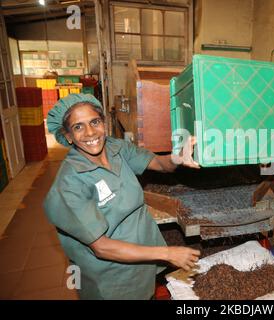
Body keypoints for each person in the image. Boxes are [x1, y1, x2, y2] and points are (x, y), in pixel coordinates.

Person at [44, 93, 201, 300]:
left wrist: (177, 157)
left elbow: (159, 164)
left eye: (95, 122)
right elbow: (102, 247)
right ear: (68, 136)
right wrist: (168, 254)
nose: (90, 132)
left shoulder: (116, 148)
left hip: (143, 258)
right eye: (78, 127)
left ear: (103, 122)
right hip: (110, 276)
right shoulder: (69, 184)